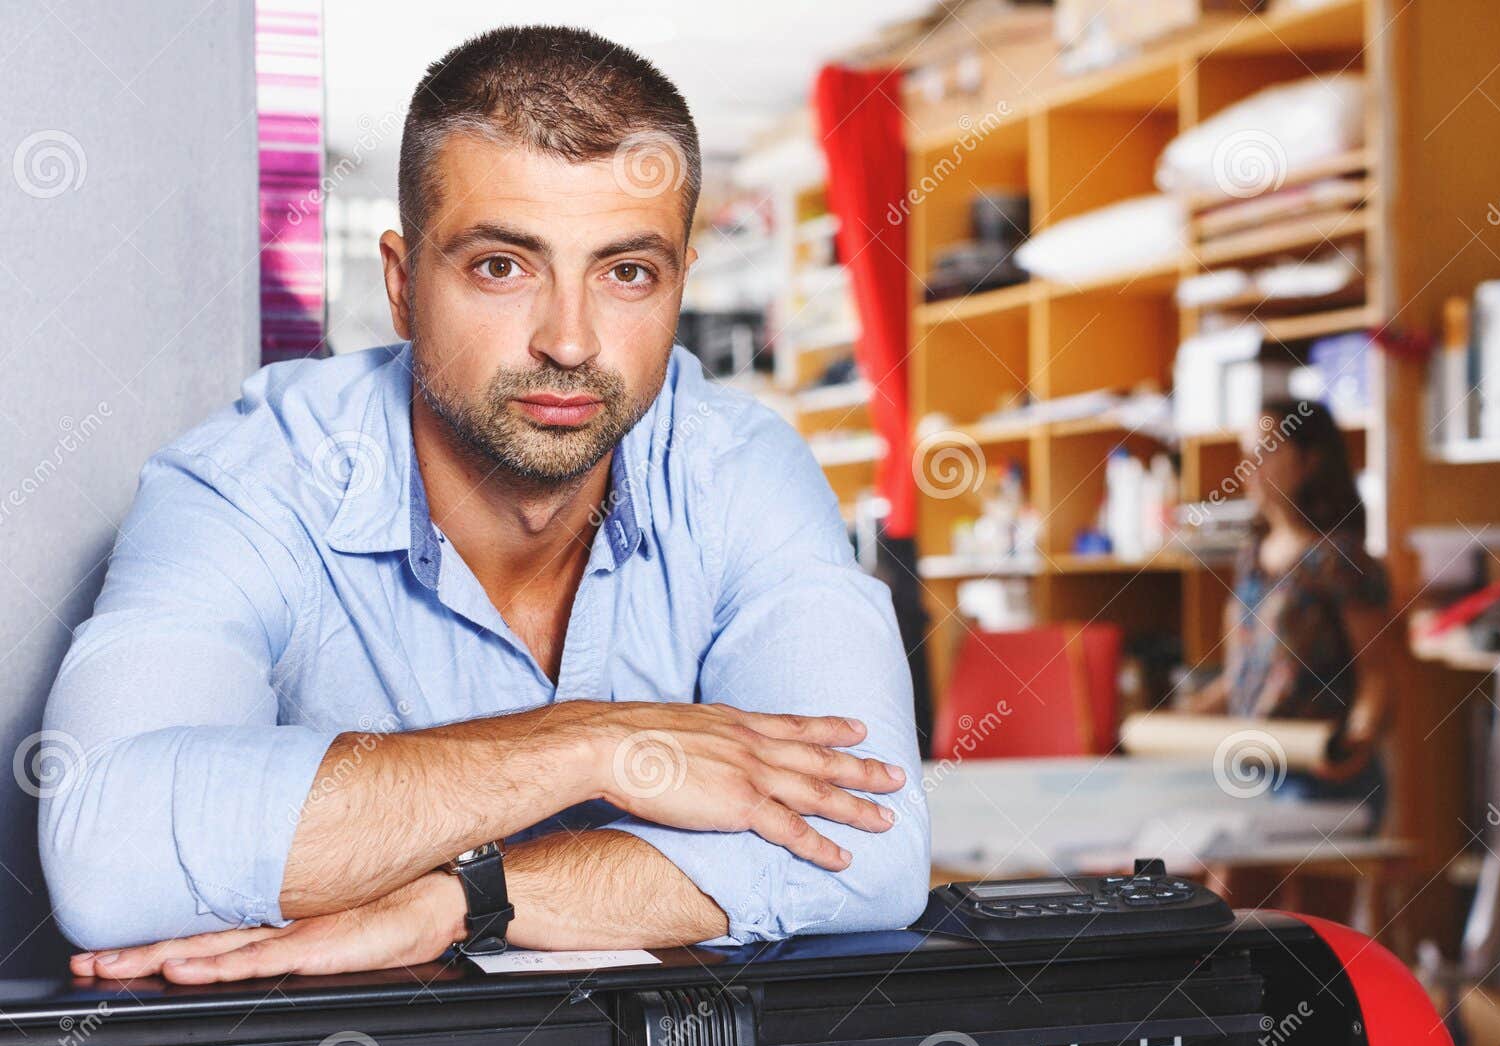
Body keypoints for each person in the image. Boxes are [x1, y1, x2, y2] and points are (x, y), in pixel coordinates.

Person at [40, 25, 929, 987]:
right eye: (503, 266)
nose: (570, 342)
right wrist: (593, 744)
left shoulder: (739, 469)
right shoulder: (253, 483)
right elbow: (110, 856)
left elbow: (868, 849)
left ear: (678, 286)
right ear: (402, 286)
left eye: (627, 272)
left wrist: (461, 900)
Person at [1185, 398, 1392, 815]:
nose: (1249, 467)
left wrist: (1357, 741)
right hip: (1250, 770)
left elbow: (1379, 673)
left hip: (1319, 775)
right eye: (1246, 453)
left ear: (1310, 460)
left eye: (1265, 451)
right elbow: (1242, 678)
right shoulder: (1251, 558)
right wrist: (1174, 718)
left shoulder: (1340, 559)